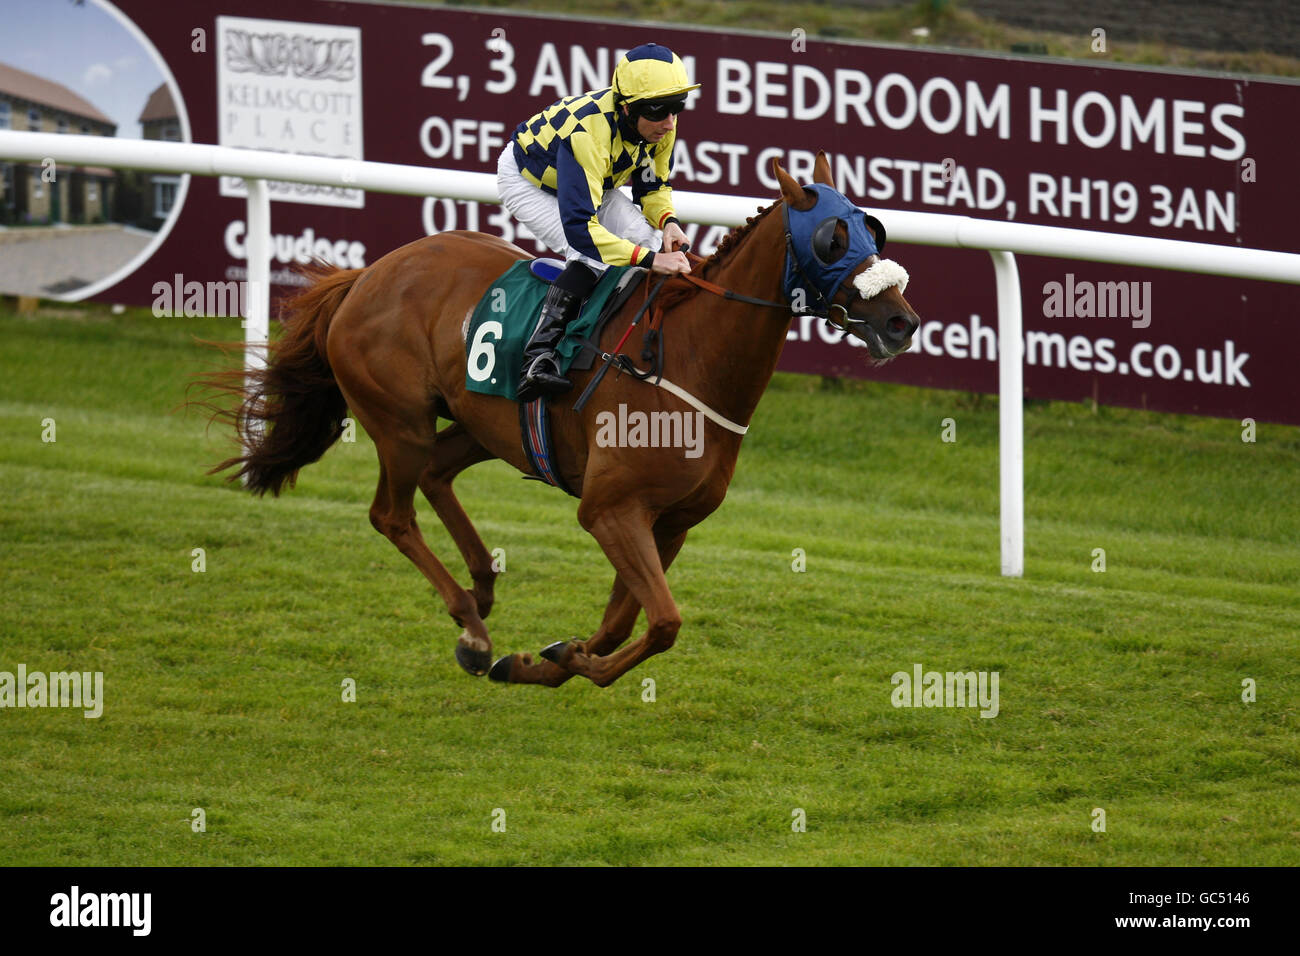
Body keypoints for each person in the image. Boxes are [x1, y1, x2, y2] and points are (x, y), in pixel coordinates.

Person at [496, 42, 698, 402]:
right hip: (528, 181)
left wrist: (668, 221)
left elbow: (652, 186)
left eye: (676, 108)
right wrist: (652, 261)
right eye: (659, 111)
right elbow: (581, 230)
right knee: (592, 256)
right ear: (626, 108)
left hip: (590, 182)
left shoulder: (660, 126)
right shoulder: (589, 133)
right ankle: (537, 359)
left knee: (648, 237)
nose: (669, 123)